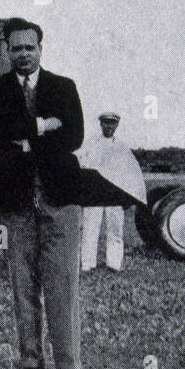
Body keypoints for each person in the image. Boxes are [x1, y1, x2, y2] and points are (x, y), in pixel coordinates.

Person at [0, 18, 85, 369]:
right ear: (7, 51)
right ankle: (30, 365)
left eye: (29, 47)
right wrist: (43, 127)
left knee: (62, 282)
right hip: (13, 200)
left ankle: (68, 367)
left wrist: (23, 137)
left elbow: (74, 136)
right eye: (16, 48)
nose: (23, 54)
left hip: (61, 199)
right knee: (21, 284)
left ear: (41, 48)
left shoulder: (63, 87)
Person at [80, 112, 129, 272]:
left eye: (112, 123)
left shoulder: (122, 147)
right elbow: (82, 165)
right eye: (106, 122)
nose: (109, 126)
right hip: (95, 193)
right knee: (90, 228)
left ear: (117, 125)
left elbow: (127, 172)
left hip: (114, 194)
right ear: (100, 124)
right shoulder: (90, 144)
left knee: (115, 229)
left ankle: (114, 264)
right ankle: (87, 263)